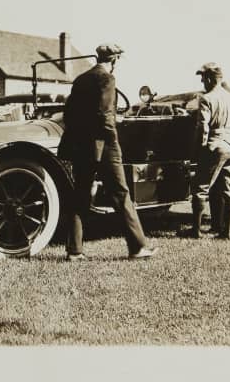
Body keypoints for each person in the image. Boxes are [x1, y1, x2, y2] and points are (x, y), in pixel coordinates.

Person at [57, 43, 157, 260]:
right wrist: (113, 141)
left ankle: (74, 251)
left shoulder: (81, 79)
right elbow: (105, 115)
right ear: (115, 60)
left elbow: (69, 115)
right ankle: (138, 247)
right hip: (104, 145)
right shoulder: (107, 78)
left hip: (80, 147)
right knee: (121, 194)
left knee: (80, 195)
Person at [185, 62, 230, 239]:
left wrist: (200, 148)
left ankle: (196, 230)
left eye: (202, 78)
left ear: (209, 79)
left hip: (214, 146)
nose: (202, 82)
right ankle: (226, 232)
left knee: (200, 189)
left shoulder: (206, 99)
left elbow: (202, 127)